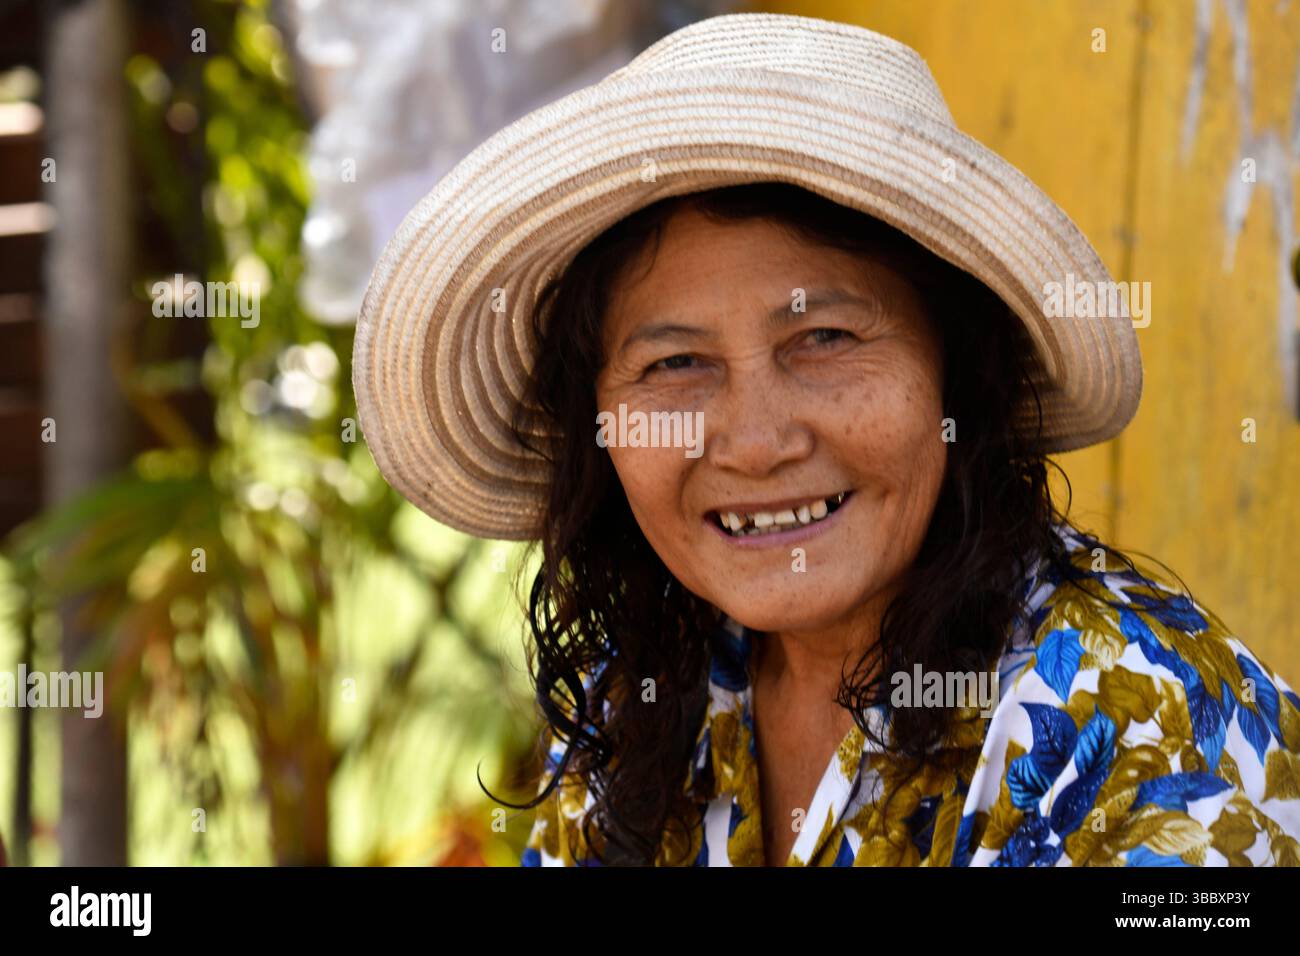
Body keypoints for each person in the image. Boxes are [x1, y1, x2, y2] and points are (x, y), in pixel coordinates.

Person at [351, 13, 1300, 866]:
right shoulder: (648, 692)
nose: (756, 445)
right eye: (676, 364)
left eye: (825, 340)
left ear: (957, 375)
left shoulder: (1145, 734)